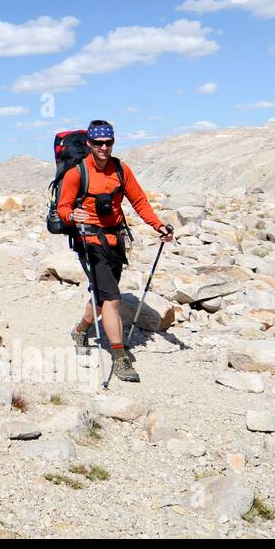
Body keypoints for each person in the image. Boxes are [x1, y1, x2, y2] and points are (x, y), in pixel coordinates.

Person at [57, 120, 173, 382]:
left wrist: (158, 225)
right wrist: (73, 214)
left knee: (101, 298)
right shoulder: (77, 173)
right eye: (98, 143)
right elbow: (62, 208)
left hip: (115, 241)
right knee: (112, 298)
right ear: (89, 144)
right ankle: (120, 359)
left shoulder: (120, 169)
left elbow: (139, 201)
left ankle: (80, 331)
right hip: (89, 243)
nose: (103, 147)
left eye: (108, 142)